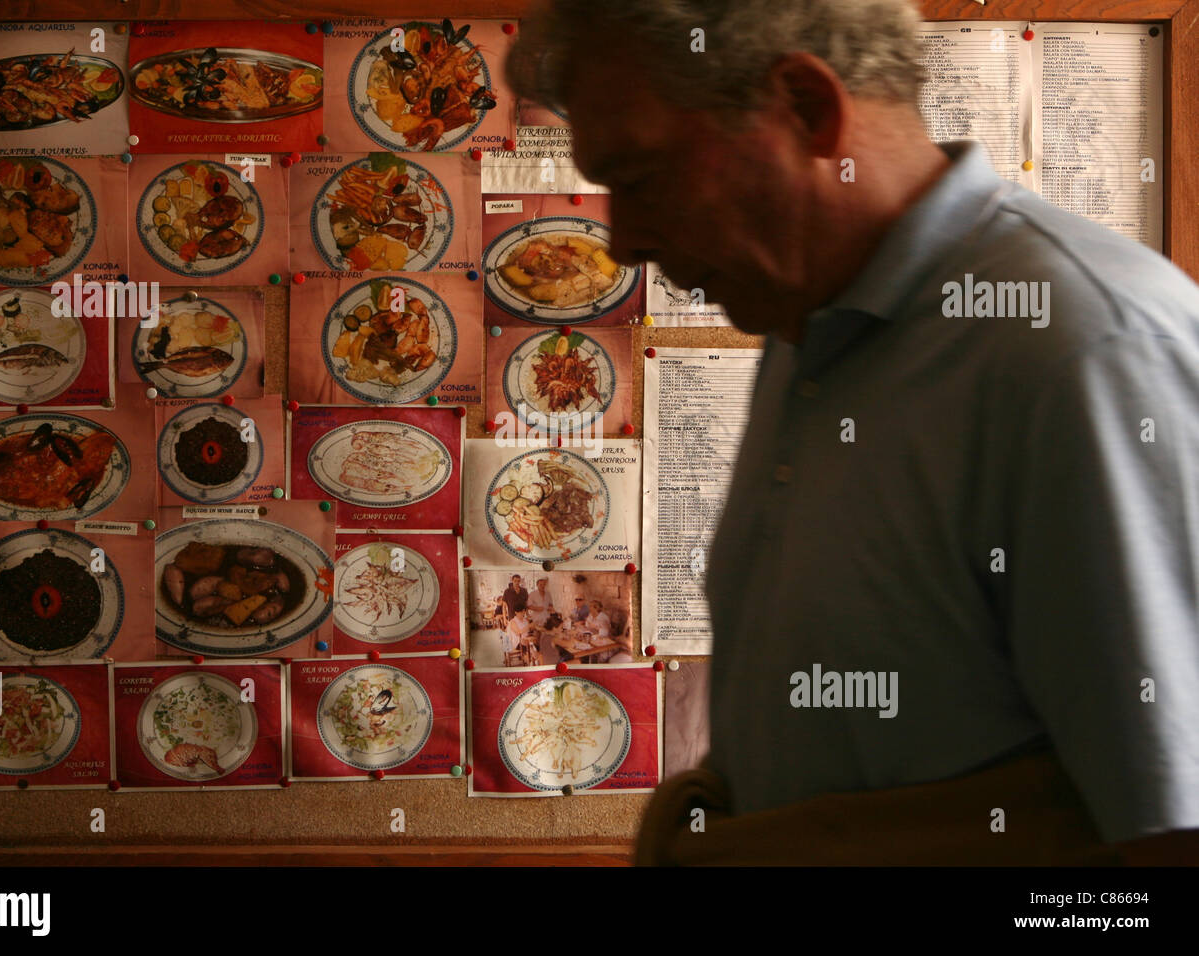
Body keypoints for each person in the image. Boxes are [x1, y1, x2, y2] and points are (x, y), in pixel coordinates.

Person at [508, 0, 1199, 865]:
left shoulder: (1081, 351)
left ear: (806, 108)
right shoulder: (813, 322)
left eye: (644, 179)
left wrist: (801, 848)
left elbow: (1170, 843)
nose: (625, 241)